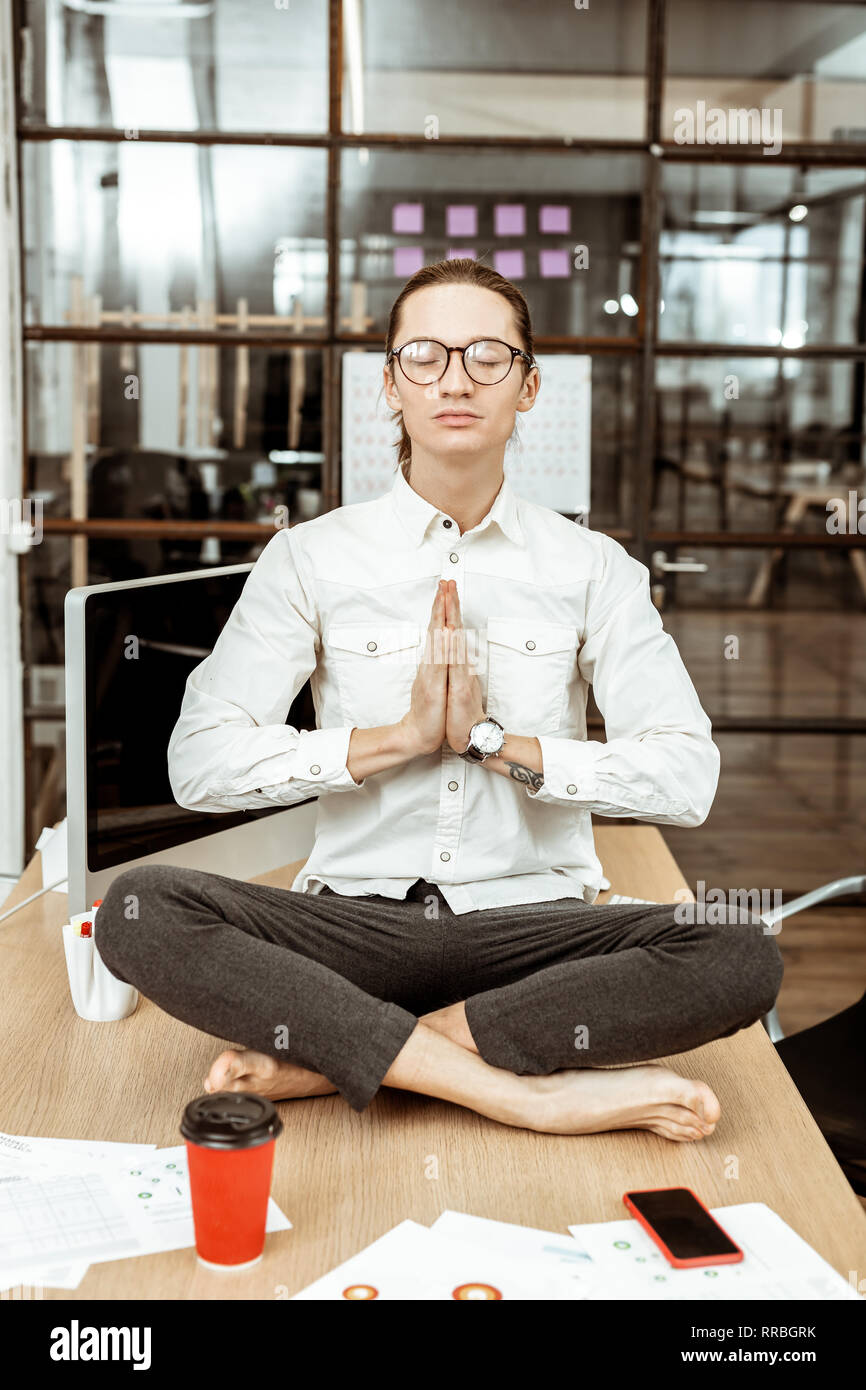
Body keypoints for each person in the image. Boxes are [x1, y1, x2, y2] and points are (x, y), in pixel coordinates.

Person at [95, 259, 783, 1141]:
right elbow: (197, 762)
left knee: (740, 949)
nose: (455, 377)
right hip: (354, 927)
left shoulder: (593, 568)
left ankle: (343, 1058)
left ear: (528, 387)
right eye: (424, 354)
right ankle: (519, 1092)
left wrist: (497, 743)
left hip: (529, 932)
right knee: (142, 908)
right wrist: (400, 737)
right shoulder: (310, 558)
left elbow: (686, 778)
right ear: (391, 384)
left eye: (488, 356)